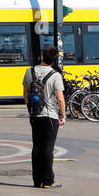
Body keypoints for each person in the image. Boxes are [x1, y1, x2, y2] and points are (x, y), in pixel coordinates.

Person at [23, 45, 66, 188]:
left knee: (36, 147)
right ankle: (48, 181)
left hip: (34, 115)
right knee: (48, 148)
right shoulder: (55, 75)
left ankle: (37, 180)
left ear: (42, 56)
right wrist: (63, 115)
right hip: (50, 116)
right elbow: (60, 98)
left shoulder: (29, 71)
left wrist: (31, 108)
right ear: (54, 60)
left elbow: (25, 93)